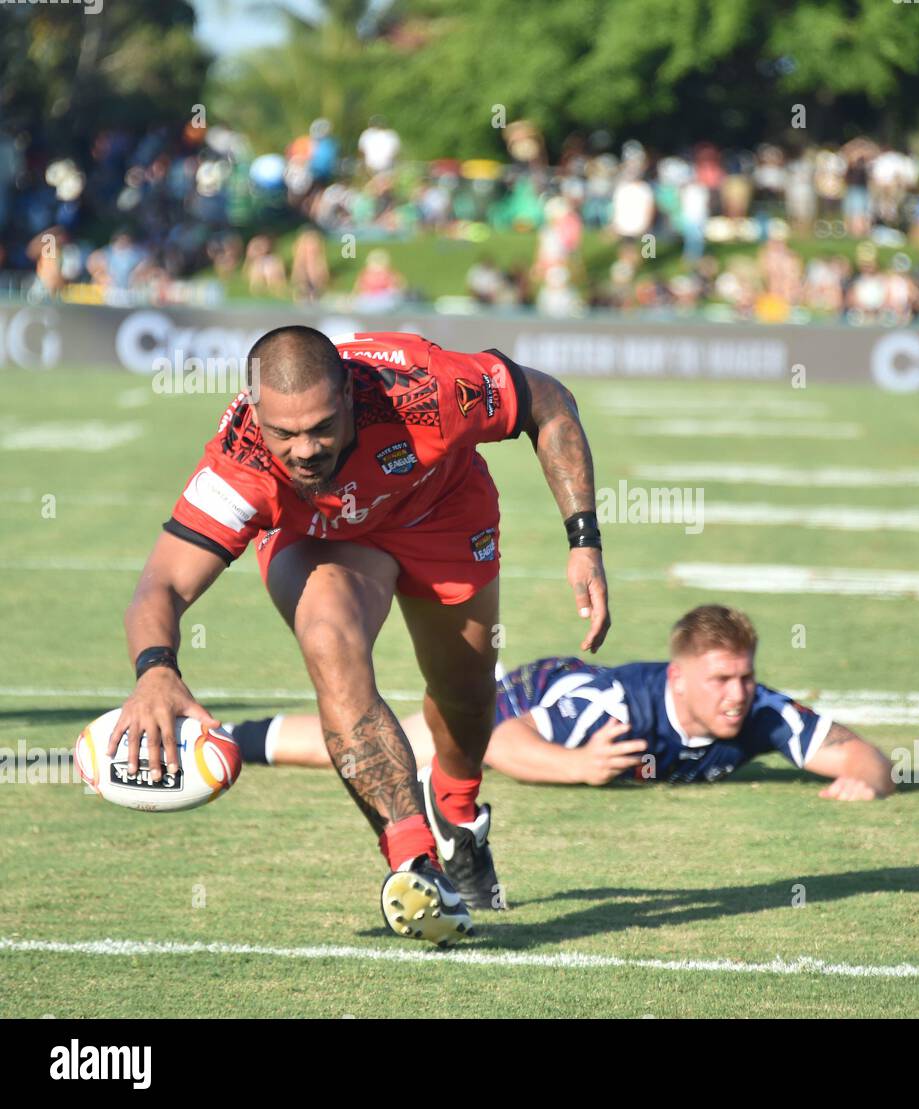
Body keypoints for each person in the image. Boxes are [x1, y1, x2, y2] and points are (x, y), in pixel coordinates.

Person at [108, 327, 610, 944]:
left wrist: (584, 541)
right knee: (329, 641)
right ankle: (414, 861)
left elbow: (550, 402)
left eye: (320, 426)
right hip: (323, 538)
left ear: (348, 393)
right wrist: (157, 669)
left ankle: (455, 815)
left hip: (441, 510)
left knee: (466, 690)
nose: (304, 450)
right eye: (283, 433)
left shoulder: (427, 388)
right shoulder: (240, 458)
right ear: (254, 409)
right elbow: (161, 584)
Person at [227, 606, 895, 801]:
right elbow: (504, 739)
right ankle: (228, 736)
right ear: (681, 674)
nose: (738, 693)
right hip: (529, 697)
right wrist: (577, 767)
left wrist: (862, 780)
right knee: (384, 748)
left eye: (744, 677)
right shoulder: (612, 708)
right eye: (721, 679)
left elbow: (868, 757)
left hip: (556, 701)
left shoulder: (761, 711)